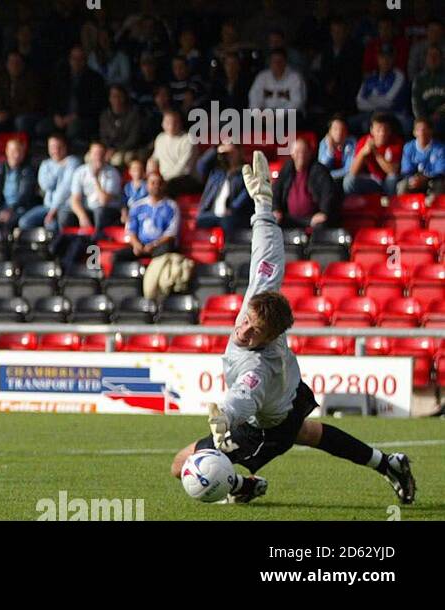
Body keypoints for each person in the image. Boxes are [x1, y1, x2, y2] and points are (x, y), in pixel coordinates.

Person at [170, 152, 416, 505]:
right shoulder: (261, 304)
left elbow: (245, 392)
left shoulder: (258, 365)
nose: (244, 332)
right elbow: (267, 258)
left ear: (270, 338)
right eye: (246, 322)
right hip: (288, 397)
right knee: (311, 433)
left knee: (181, 466)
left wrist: (226, 416)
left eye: (254, 333)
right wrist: (264, 205)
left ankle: (243, 485)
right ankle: (388, 464)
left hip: (263, 428)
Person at [273, 137, 339, 229]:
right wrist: (276, 209)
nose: (301, 155)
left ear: (310, 153)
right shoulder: (287, 169)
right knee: (272, 222)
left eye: (304, 152)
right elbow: (276, 190)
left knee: (322, 224)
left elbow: (328, 193)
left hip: (312, 219)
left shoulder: (319, 170)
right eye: (297, 152)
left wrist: (324, 212)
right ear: (292, 154)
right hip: (289, 218)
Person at [19, 134, 81, 231]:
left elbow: (65, 189)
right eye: (52, 147)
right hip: (47, 206)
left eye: (59, 147)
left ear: (65, 147)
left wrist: (53, 211)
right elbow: (45, 185)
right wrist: (59, 168)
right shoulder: (45, 164)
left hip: (65, 207)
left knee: (51, 226)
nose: (55, 150)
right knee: (24, 222)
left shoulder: (73, 162)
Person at [114, 172, 178, 264]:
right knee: (116, 257)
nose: (156, 186)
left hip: (159, 246)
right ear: (147, 185)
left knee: (165, 251)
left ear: (163, 186)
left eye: (159, 183)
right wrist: (136, 244)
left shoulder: (171, 206)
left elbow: (171, 233)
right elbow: (131, 230)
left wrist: (154, 245)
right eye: (153, 183)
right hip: (140, 245)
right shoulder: (137, 206)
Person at [0, 137, 37, 230]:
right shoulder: (1, 169)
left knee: (9, 220)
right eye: (13, 151)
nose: (16, 155)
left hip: (21, 209)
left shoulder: (28, 170)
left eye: (19, 151)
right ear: (7, 151)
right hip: (2, 207)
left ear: (23, 153)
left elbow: (25, 195)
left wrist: (10, 210)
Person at [65, 141, 124, 236]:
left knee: (100, 212)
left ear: (105, 155)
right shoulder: (80, 172)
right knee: (65, 214)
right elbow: (75, 199)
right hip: (87, 209)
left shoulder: (113, 173)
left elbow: (104, 200)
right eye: (95, 153)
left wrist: (95, 178)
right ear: (90, 154)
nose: (98, 157)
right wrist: (82, 217)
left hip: (107, 209)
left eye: (101, 154)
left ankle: (95, 245)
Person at [195, 142, 252, 234]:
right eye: (226, 154)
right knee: (199, 220)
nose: (228, 156)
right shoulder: (217, 173)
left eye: (231, 153)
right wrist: (216, 149)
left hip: (233, 215)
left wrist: (232, 209)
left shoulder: (246, 173)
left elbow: (245, 195)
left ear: (239, 152)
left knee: (226, 222)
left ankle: (228, 247)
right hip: (212, 214)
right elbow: (201, 165)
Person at [345, 113, 403, 196]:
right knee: (349, 180)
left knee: (392, 178)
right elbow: (353, 171)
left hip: (388, 181)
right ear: (372, 130)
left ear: (390, 131)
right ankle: (355, 206)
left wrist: (376, 153)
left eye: (385, 130)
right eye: (378, 130)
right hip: (371, 180)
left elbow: (392, 171)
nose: (382, 133)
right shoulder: (364, 141)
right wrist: (363, 152)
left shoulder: (396, 142)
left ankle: (390, 205)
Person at [151, 110, 198, 196]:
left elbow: (184, 168)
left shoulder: (188, 140)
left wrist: (164, 179)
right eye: (168, 122)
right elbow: (155, 158)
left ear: (180, 123)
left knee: (163, 187)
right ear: (162, 124)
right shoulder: (160, 138)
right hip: (163, 179)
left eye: (175, 122)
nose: (171, 126)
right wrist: (150, 167)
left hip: (184, 178)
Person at [399, 118, 445, 195]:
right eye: (418, 130)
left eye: (425, 129)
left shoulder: (440, 148)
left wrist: (425, 178)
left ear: (431, 131)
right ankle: (404, 206)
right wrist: (414, 179)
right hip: (415, 179)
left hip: (433, 179)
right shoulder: (408, 147)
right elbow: (406, 170)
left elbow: (440, 171)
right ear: (414, 132)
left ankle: (435, 206)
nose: (422, 133)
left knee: (440, 185)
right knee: (402, 186)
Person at [317, 115, 357, 181]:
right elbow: (322, 166)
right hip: (328, 179)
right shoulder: (324, 142)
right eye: (335, 129)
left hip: (343, 178)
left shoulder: (352, 143)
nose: (339, 133)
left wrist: (329, 175)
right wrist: (330, 150)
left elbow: (349, 169)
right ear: (330, 131)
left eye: (342, 129)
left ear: (347, 132)